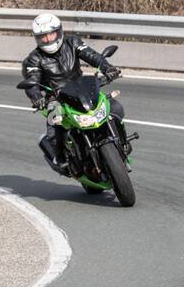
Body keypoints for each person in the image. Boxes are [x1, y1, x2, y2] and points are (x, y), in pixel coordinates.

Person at [20, 13, 123, 174]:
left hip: (81, 88)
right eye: (42, 37)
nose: (47, 40)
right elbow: (31, 82)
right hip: (56, 97)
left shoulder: (72, 42)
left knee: (114, 107)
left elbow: (91, 55)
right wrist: (37, 98)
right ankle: (61, 158)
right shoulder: (34, 59)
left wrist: (107, 68)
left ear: (59, 31)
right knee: (55, 125)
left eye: (50, 34)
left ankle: (120, 142)